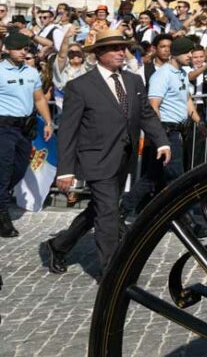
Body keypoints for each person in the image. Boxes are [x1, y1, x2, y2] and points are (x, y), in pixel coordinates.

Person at [45, 32, 170, 274]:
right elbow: (69, 132)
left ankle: (59, 245)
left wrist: (162, 142)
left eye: (123, 48)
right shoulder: (79, 86)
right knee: (109, 211)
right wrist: (65, 170)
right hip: (96, 158)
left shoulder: (133, 81)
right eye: (114, 48)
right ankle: (112, 274)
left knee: (102, 207)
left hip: (124, 157)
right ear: (99, 53)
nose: (121, 52)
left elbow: (145, 114)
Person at [122, 36, 206, 221]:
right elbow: (154, 105)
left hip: (177, 130)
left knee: (151, 178)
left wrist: (198, 122)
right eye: (187, 52)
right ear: (175, 54)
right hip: (166, 130)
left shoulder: (182, 73)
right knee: (178, 177)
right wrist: (158, 135)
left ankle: (123, 209)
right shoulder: (163, 74)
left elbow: (187, 99)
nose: (190, 56)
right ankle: (187, 220)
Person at [0, 33, 54, 237]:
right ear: (7, 49)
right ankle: (3, 217)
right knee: (4, 170)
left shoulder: (31, 72)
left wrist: (48, 122)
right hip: (3, 125)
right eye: (19, 48)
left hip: (24, 127)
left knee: (20, 169)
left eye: (26, 48)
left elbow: (39, 99)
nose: (24, 51)